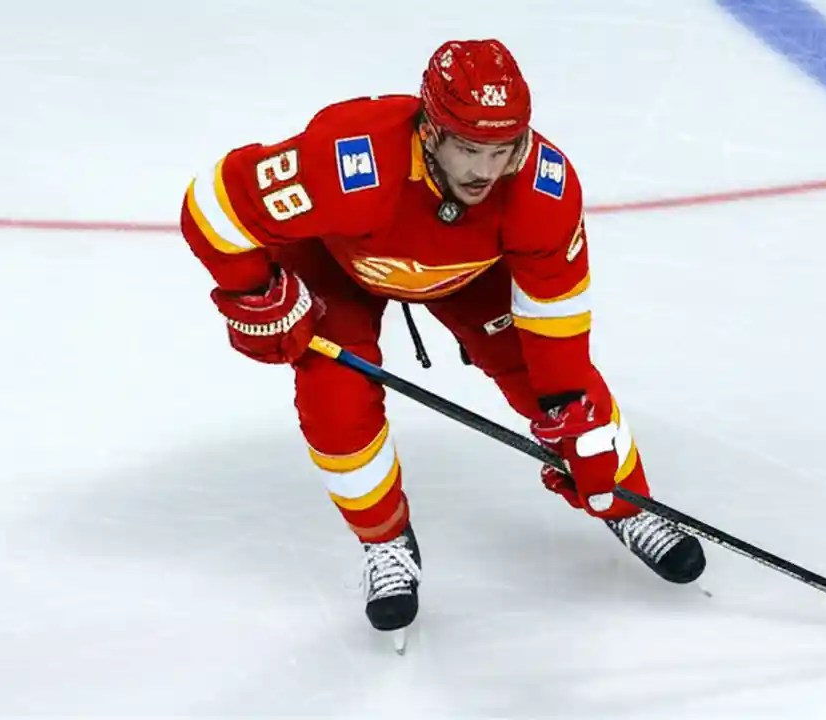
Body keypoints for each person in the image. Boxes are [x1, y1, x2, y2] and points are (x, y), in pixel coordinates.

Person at [178, 38, 705, 638]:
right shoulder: (348, 159)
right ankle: (384, 540)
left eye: (504, 150)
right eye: (471, 150)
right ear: (430, 133)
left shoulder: (541, 187)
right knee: (335, 406)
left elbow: (556, 320)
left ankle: (625, 503)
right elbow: (211, 208)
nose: (487, 171)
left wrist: (568, 412)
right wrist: (258, 291)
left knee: (564, 394)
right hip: (337, 268)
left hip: (468, 278)